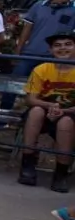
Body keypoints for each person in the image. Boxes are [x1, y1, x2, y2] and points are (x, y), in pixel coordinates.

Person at [3, 0, 75, 112]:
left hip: (54, 57)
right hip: (29, 53)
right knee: (12, 85)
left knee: (47, 90)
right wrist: (18, 50)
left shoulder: (73, 9)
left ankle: (37, 117)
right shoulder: (38, 6)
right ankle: (3, 116)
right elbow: (26, 29)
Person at [17, 31, 75, 192]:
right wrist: (50, 106)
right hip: (44, 109)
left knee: (66, 122)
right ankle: (27, 164)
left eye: (68, 44)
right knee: (35, 111)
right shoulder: (42, 69)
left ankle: (61, 172)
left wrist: (64, 110)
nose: (63, 48)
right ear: (50, 50)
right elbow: (31, 99)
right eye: (57, 45)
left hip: (70, 113)